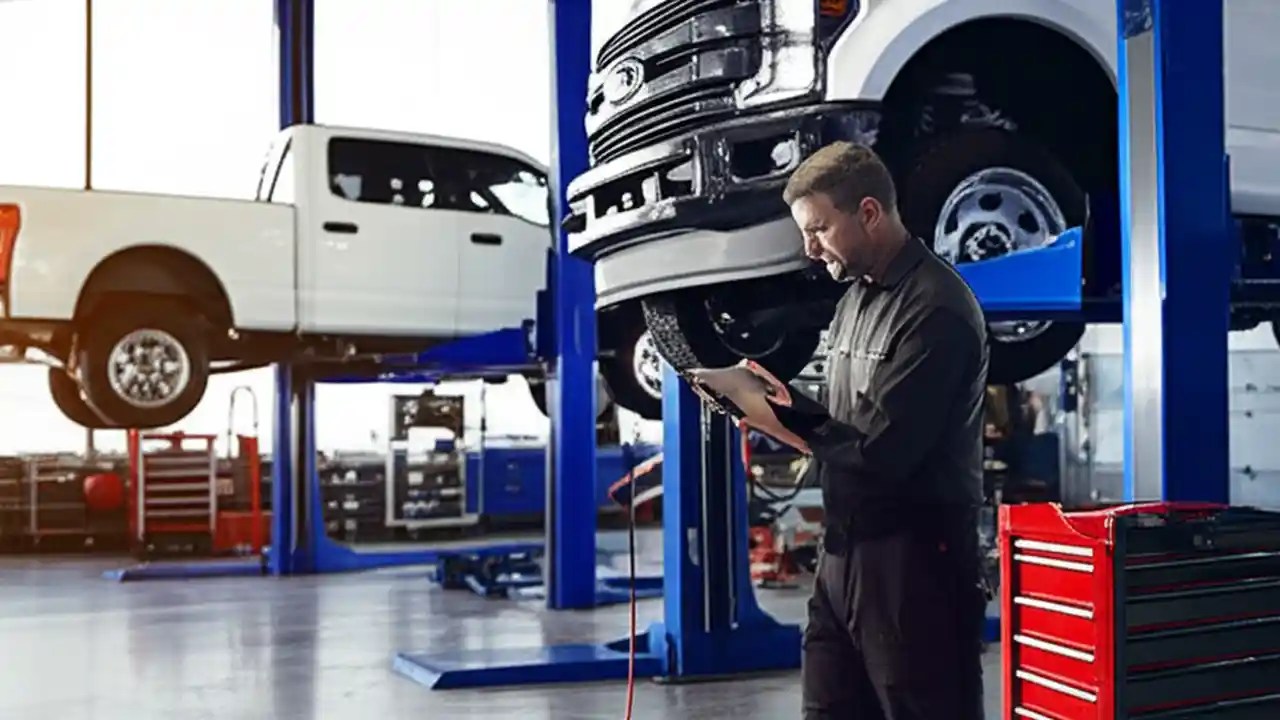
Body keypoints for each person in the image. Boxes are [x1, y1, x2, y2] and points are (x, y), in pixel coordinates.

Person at [772, 141, 991, 718]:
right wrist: (762, 402)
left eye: (818, 229)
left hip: (915, 564)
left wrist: (784, 413)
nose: (809, 248)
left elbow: (881, 449)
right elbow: (840, 418)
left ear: (868, 212)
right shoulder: (854, 301)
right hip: (844, 553)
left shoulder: (937, 309)